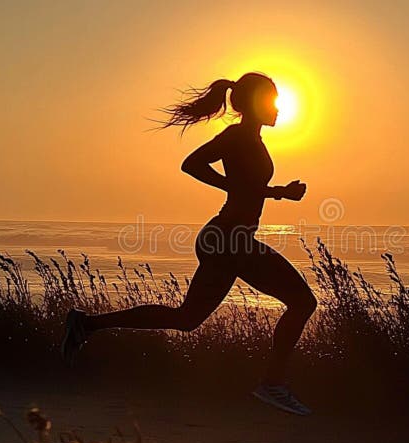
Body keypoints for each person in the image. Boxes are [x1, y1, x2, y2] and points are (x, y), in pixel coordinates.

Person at [60, 72, 317, 416]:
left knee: (186, 318)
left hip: (228, 239)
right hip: (228, 239)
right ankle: (272, 384)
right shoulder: (238, 136)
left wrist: (275, 192)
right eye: (272, 101)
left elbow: (246, 186)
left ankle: (87, 324)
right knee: (303, 301)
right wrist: (257, 190)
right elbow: (192, 164)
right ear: (255, 103)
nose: (278, 108)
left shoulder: (250, 139)